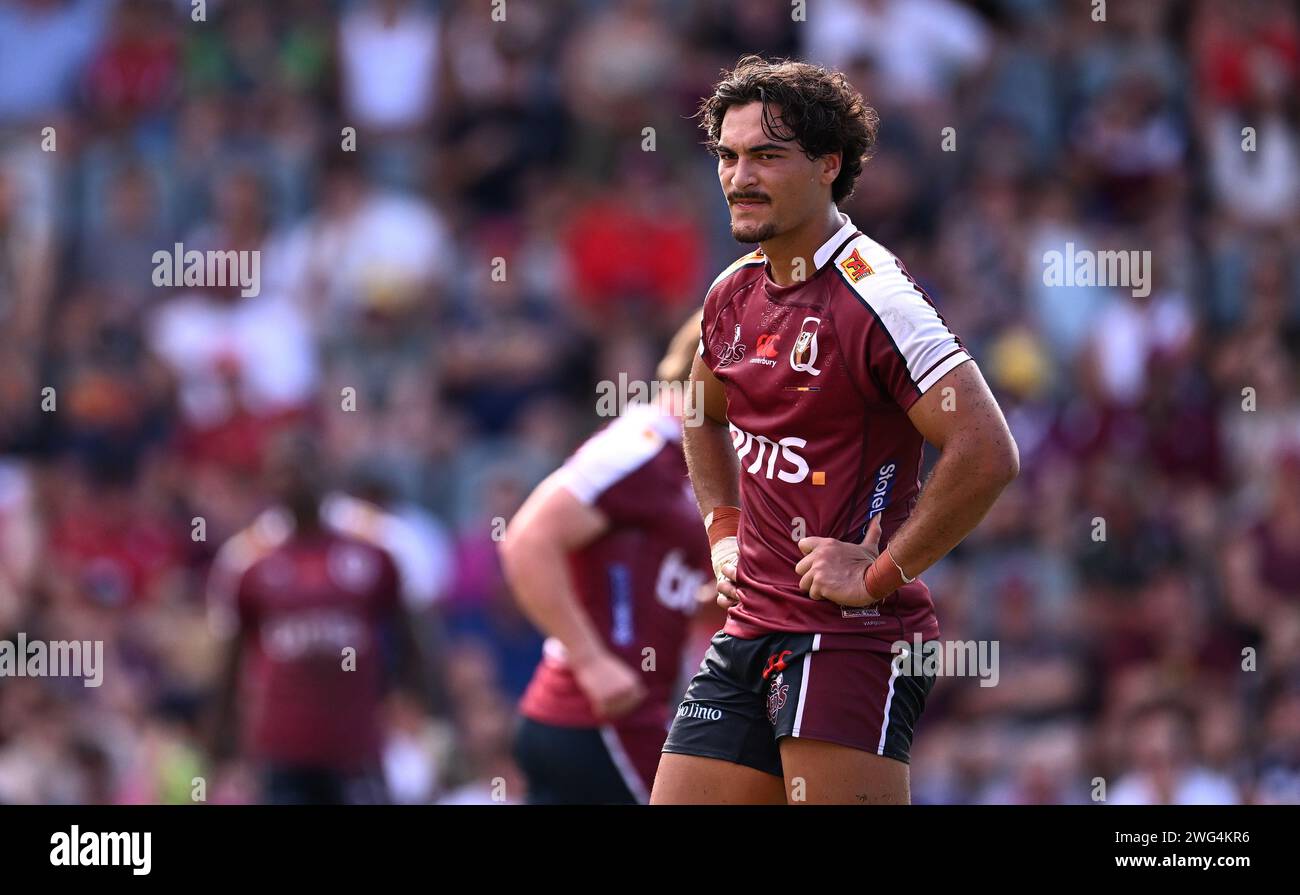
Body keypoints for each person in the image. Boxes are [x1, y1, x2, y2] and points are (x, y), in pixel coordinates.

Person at [652, 56, 1020, 805]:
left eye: (766, 156)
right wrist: (723, 532)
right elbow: (698, 412)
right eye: (728, 155)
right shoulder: (733, 290)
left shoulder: (876, 296)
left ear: (829, 165)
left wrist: (880, 573)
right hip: (752, 624)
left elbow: (986, 451)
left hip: (852, 638)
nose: (738, 176)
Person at [501, 314, 718, 804]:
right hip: (601, 720)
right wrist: (592, 660)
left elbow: (654, 579)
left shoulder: (690, 459)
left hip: (609, 718)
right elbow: (528, 539)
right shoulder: (642, 445)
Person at [206, 433, 429, 804]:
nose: (295, 480)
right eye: (282, 472)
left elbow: (411, 637)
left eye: (302, 469)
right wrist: (220, 744)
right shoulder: (249, 559)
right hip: (282, 748)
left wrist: (414, 705)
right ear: (268, 481)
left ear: (325, 472)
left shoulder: (372, 550)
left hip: (356, 746)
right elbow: (231, 661)